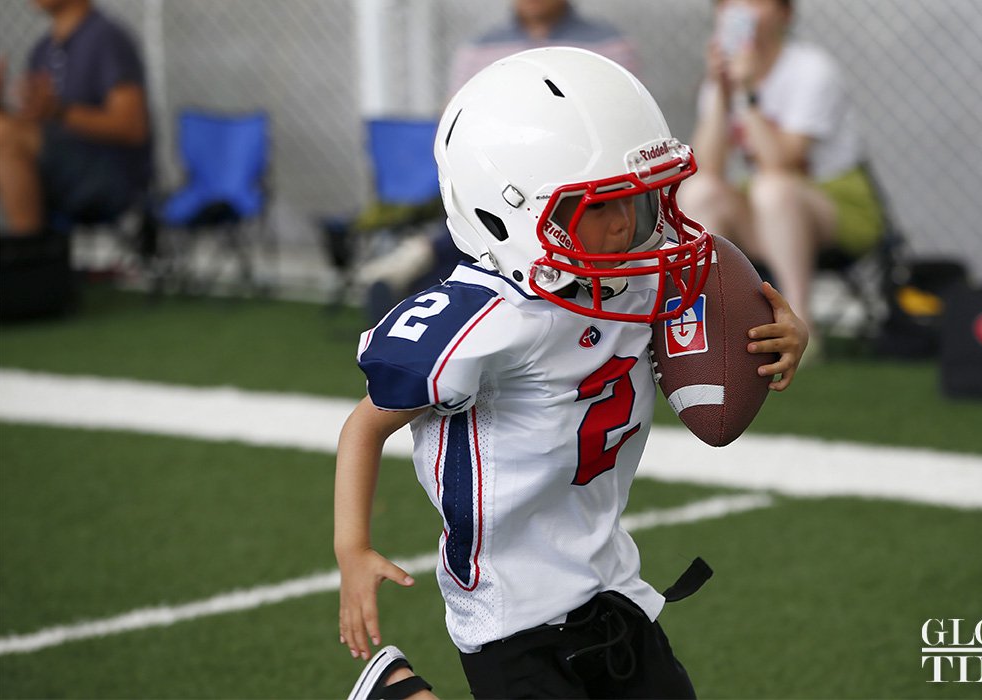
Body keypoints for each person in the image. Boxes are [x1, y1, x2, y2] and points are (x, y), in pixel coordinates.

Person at [335, 47, 808, 699]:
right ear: (510, 211)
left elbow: (707, 347)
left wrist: (786, 334)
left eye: (638, 201)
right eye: (600, 206)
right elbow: (363, 427)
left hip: (609, 581)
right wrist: (351, 550)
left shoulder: (634, 278)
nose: (626, 226)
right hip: (508, 611)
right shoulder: (482, 322)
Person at [357, 0, 639, 320]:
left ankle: (426, 251)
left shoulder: (608, 43)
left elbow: (618, 121)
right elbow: (456, 124)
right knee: (488, 209)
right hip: (503, 175)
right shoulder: (478, 47)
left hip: (580, 175)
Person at [676, 0, 882, 350]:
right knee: (700, 192)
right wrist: (721, 93)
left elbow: (782, 161)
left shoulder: (811, 69)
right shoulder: (723, 77)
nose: (740, 10)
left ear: (784, 14)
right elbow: (705, 166)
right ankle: (713, 327)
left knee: (773, 188)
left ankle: (801, 327)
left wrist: (747, 91)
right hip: (764, 207)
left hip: (832, 204)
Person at [0, 0, 152, 237]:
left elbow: (132, 127)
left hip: (113, 178)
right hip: (63, 174)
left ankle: (30, 258)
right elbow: (31, 136)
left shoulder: (106, 37)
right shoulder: (43, 49)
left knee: (4, 134)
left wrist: (59, 111)